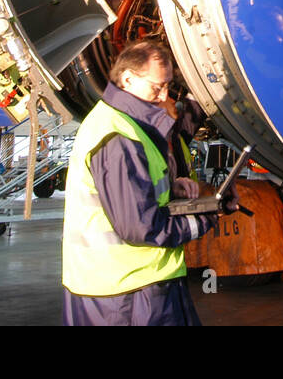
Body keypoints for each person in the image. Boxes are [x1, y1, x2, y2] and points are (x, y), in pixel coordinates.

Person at [61, 39, 225, 325]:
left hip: (130, 285)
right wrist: (205, 219)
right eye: (156, 87)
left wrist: (171, 188)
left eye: (167, 87)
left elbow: (129, 193)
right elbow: (141, 227)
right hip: (127, 292)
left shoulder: (125, 124)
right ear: (127, 79)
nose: (164, 96)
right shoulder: (119, 138)